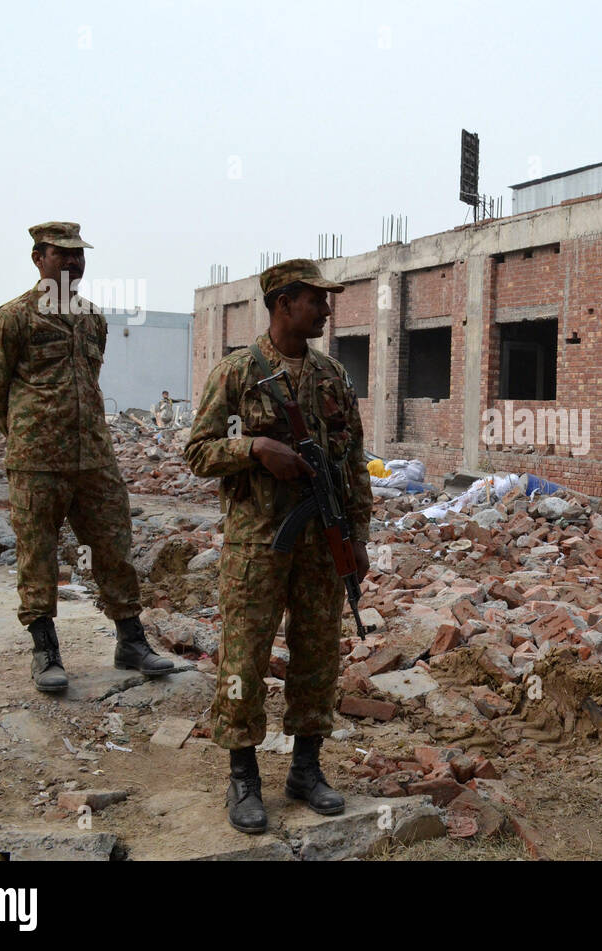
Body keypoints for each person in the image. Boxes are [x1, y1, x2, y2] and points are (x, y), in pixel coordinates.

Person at [184, 257, 373, 833]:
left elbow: (354, 461)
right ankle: (242, 776)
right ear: (284, 303)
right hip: (257, 542)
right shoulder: (238, 373)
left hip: (323, 540)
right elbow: (198, 452)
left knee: (318, 653)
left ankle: (306, 769)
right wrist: (255, 449)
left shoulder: (332, 376)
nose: (326, 309)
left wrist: (358, 536)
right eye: (316, 300)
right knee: (244, 656)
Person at [0, 222, 174, 692]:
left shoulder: (91, 318)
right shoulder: (14, 317)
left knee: (114, 545)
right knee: (38, 554)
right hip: (37, 461)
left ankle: (131, 640)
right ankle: (45, 650)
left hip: (94, 457)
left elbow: (91, 375)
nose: (72, 262)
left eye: (78, 255)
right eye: (61, 254)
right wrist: (24, 434)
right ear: (37, 258)